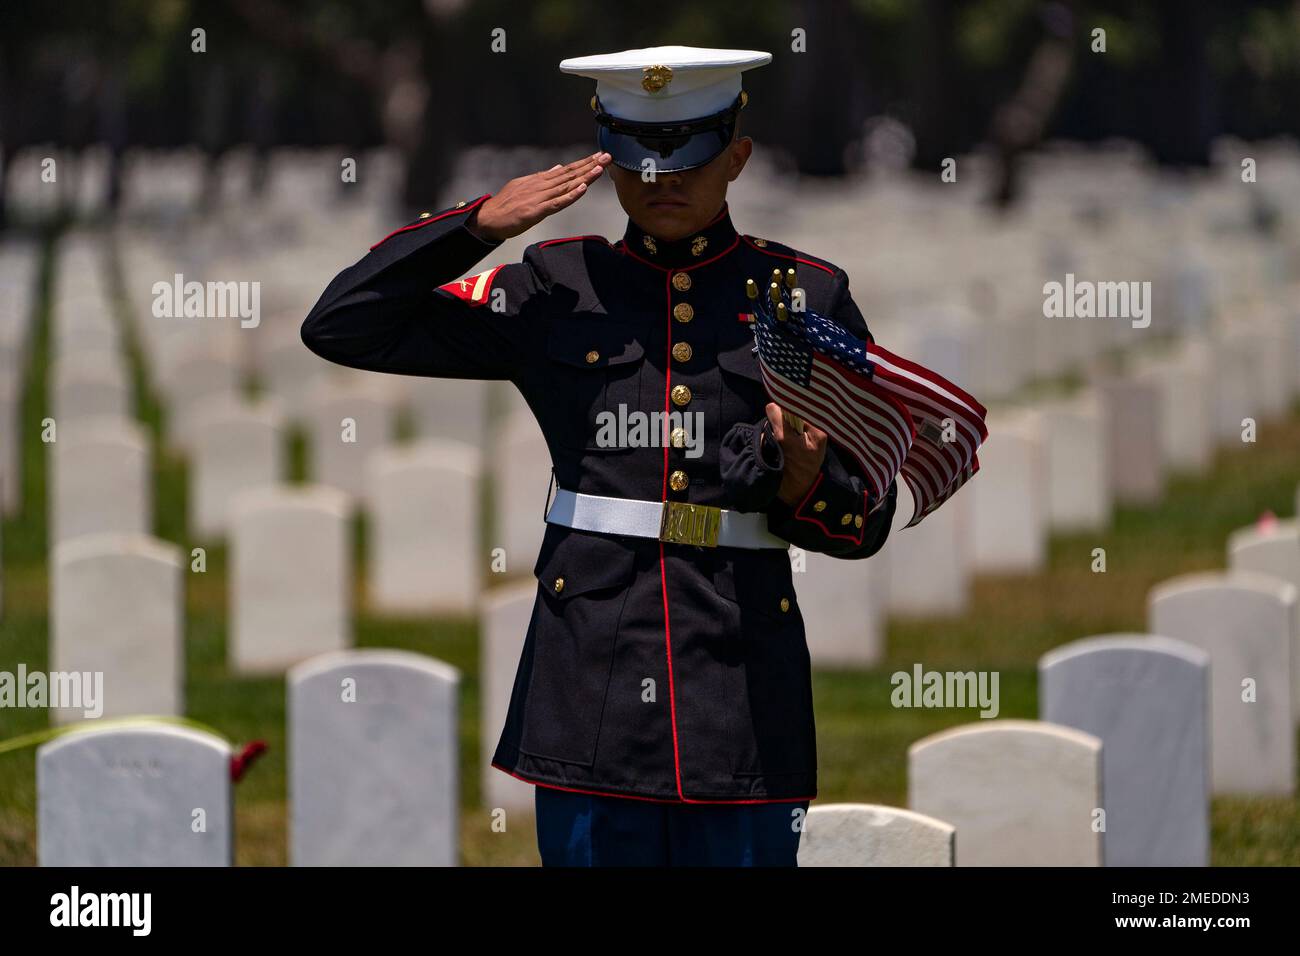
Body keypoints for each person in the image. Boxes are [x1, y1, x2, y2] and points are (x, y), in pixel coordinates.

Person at [301, 45, 897, 866]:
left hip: (741, 693)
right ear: (608, 160)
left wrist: (804, 480)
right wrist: (474, 226)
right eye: (639, 161)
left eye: (687, 157)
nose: (662, 181)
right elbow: (340, 325)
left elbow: (866, 517)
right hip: (590, 685)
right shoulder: (557, 286)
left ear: (736, 157)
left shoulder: (803, 297)